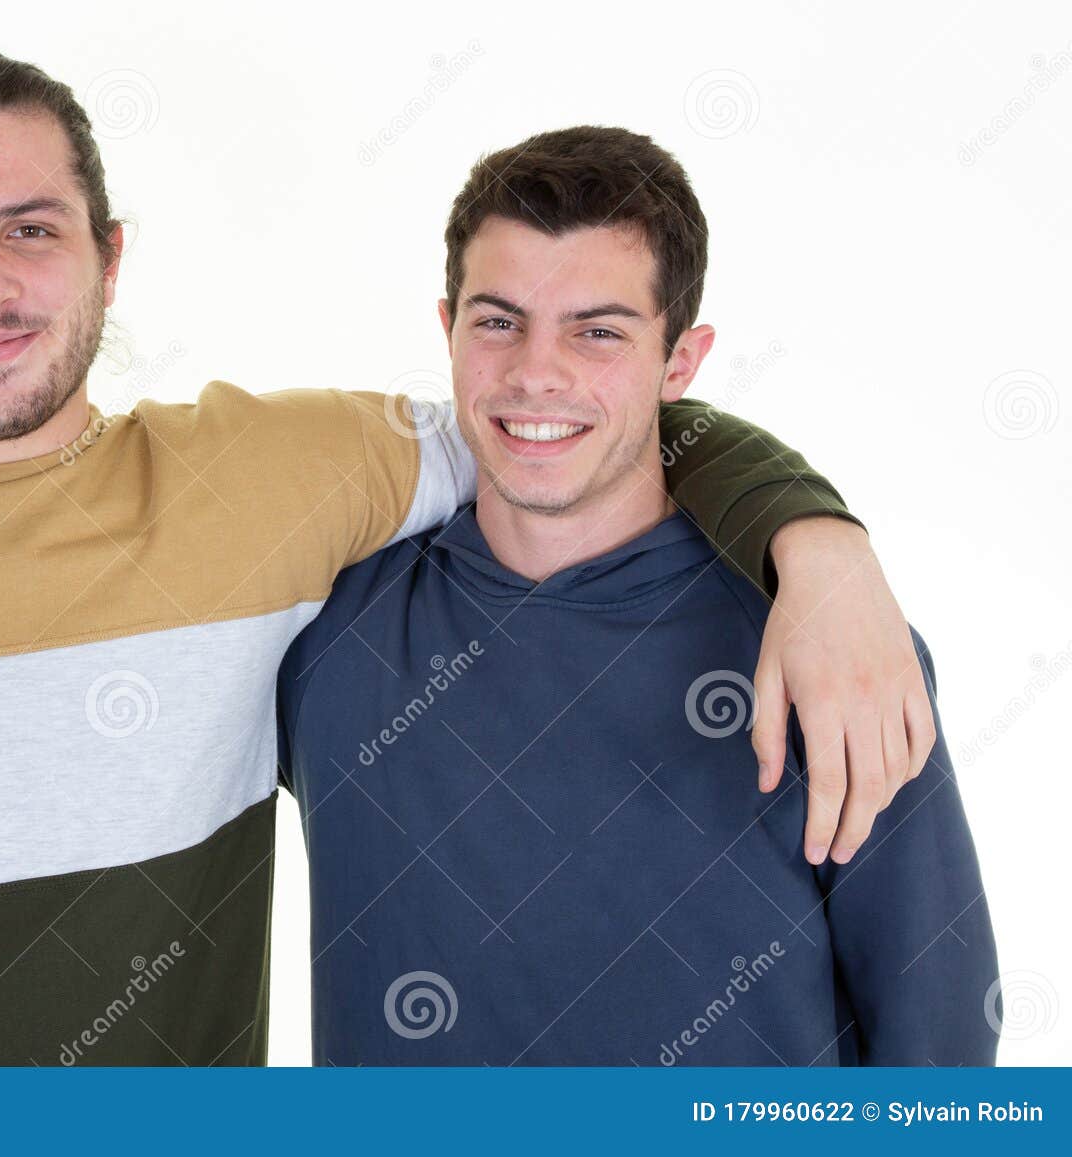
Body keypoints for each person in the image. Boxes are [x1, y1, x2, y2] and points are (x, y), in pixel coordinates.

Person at [0, 45, 930, 1066]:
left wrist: (820, 545)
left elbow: (567, 417)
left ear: (110, 255)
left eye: (30, 230)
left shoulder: (272, 480)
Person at [277, 126, 998, 1066]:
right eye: (498, 321)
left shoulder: (824, 645)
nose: (538, 372)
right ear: (446, 326)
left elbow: (938, 1027)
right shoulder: (323, 636)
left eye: (599, 332)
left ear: (681, 362)